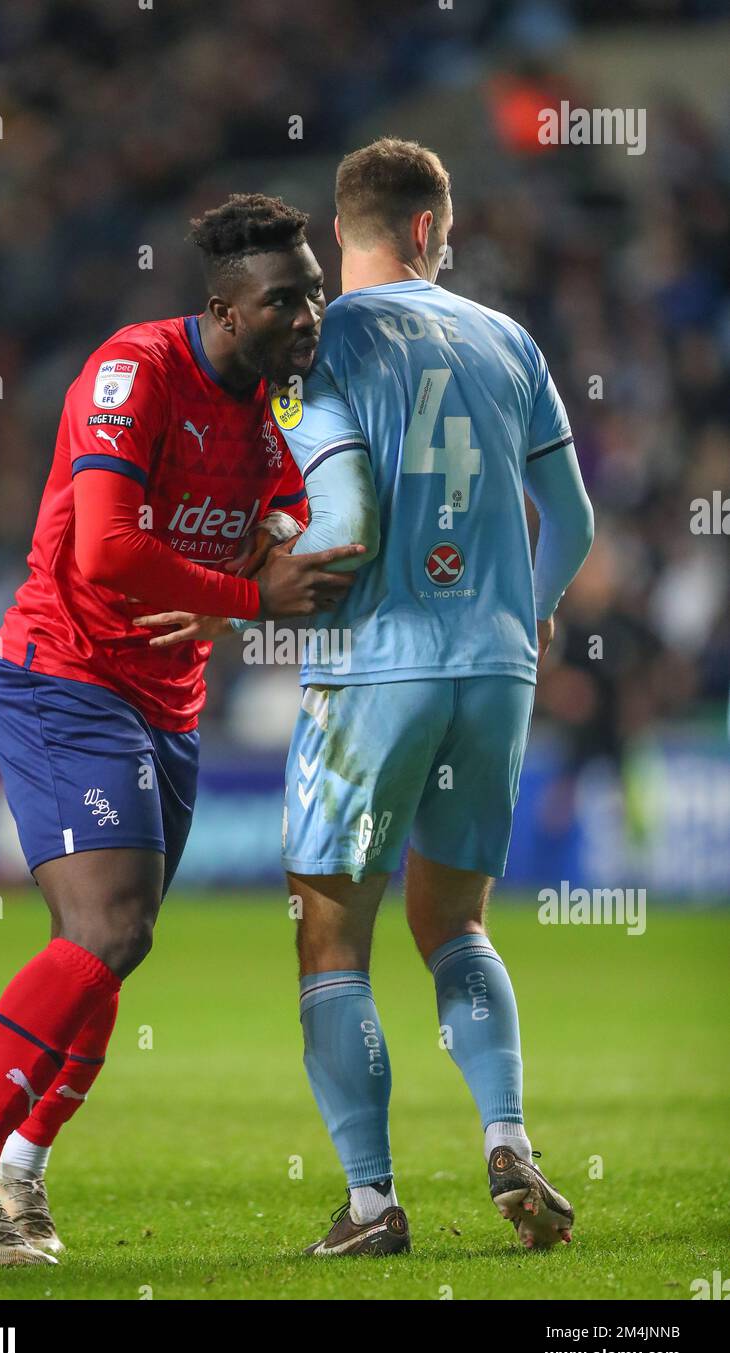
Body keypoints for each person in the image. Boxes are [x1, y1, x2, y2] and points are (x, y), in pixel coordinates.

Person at [140, 140, 594, 1256]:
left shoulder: (310, 340)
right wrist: (525, 612)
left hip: (369, 666)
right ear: (432, 231)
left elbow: (336, 530)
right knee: (458, 924)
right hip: (493, 668)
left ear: (337, 236)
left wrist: (230, 598)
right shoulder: (510, 340)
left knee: (331, 938)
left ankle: (370, 1203)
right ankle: (504, 1133)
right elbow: (573, 521)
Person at [0, 194, 364, 1266]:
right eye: (284, 298)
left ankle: (19, 1172)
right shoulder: (137, 371)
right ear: (222, 307)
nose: (308, 313)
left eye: (316, 292)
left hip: (167, 698)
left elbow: (287, 541)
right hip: (62, 673)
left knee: (117, 945)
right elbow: (105, 549)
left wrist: (262, 568)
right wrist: (253, 597)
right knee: (108, 927)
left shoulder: (281, 414)